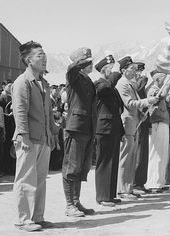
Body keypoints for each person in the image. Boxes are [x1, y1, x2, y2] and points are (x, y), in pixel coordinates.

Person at [12, 41, 58, 232]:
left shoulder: (43, 83)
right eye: (39, 55)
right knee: (25, 179)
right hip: (28, 138)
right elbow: (20, 111)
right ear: (28, 60)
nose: (44, 57)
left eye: (44, 54)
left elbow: (48, 112)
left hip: (43, 138)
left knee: (39, 179)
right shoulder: (22, 82)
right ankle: (23, 219)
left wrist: (53, 132)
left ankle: (37, 216)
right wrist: (23, 135)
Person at [116, 56, 158, 200]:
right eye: (132, 68)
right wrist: (147, 101)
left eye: (135, 68)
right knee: (125, 158)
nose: (135, 71)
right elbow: (129, 103)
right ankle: (122, 189)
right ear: (123, 70)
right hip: (127, 124)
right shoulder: (122, 84)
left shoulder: (130, 84)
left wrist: (141, 115)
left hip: (134, 123)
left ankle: (128, 187)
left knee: (132, 158)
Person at [62, 47, 97, 217]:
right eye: (87, 61)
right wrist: (78, 62)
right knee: (71, 167)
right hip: (75, 127)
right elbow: (71, 69)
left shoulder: (87, 79)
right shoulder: (74, 76)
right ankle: (69, 205)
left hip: (87, 127)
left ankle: (76, 202)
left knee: (82, 167)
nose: (91, 63)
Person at [93, 55, 125, 206]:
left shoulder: (112, 88)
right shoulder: (99, 84)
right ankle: (102, 196)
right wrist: (116, 74)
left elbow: (117, 110)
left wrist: (122, 131)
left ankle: (110, 194)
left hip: (113, 129)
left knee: (113, 162)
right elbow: (104, 88)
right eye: (111, 69)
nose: (113, 72)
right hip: (103, 129)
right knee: (104, 162)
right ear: (104, 70)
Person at [145, 71, 170, 192]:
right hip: (157, 122)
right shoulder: (153, 90)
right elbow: (159, 98)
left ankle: (160, 181)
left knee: (163, 153)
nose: (165, 81)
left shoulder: (159, 89)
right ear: (157, 79)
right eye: (163, 79)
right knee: (156, 154)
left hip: (163, 122)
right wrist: (166, 88)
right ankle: (153, 182)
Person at [133, 62, 151, 194]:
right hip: (137, 121)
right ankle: (135, 182)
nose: (141, 73)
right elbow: (138, 90)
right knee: (138, 152)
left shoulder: (141, 84)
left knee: (143, 152)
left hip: (144, 120)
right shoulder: (134, 83)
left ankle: (140, 182)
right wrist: (143, 78)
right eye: (139, 71)